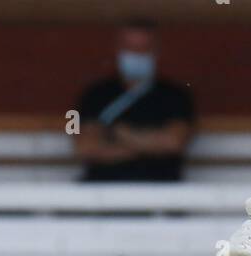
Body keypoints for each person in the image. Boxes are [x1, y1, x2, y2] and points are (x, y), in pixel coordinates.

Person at [74, 18, 194, 182]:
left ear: (156, 51)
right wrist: (150, 144)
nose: (137, 54)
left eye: (143, 49)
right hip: (101, 191)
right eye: (130, 48)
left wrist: (123, 135)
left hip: (161, 190)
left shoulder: (175, 96)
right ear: (118, 49)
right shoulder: (94, 94)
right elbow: (84, 147)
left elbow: (174, 142)